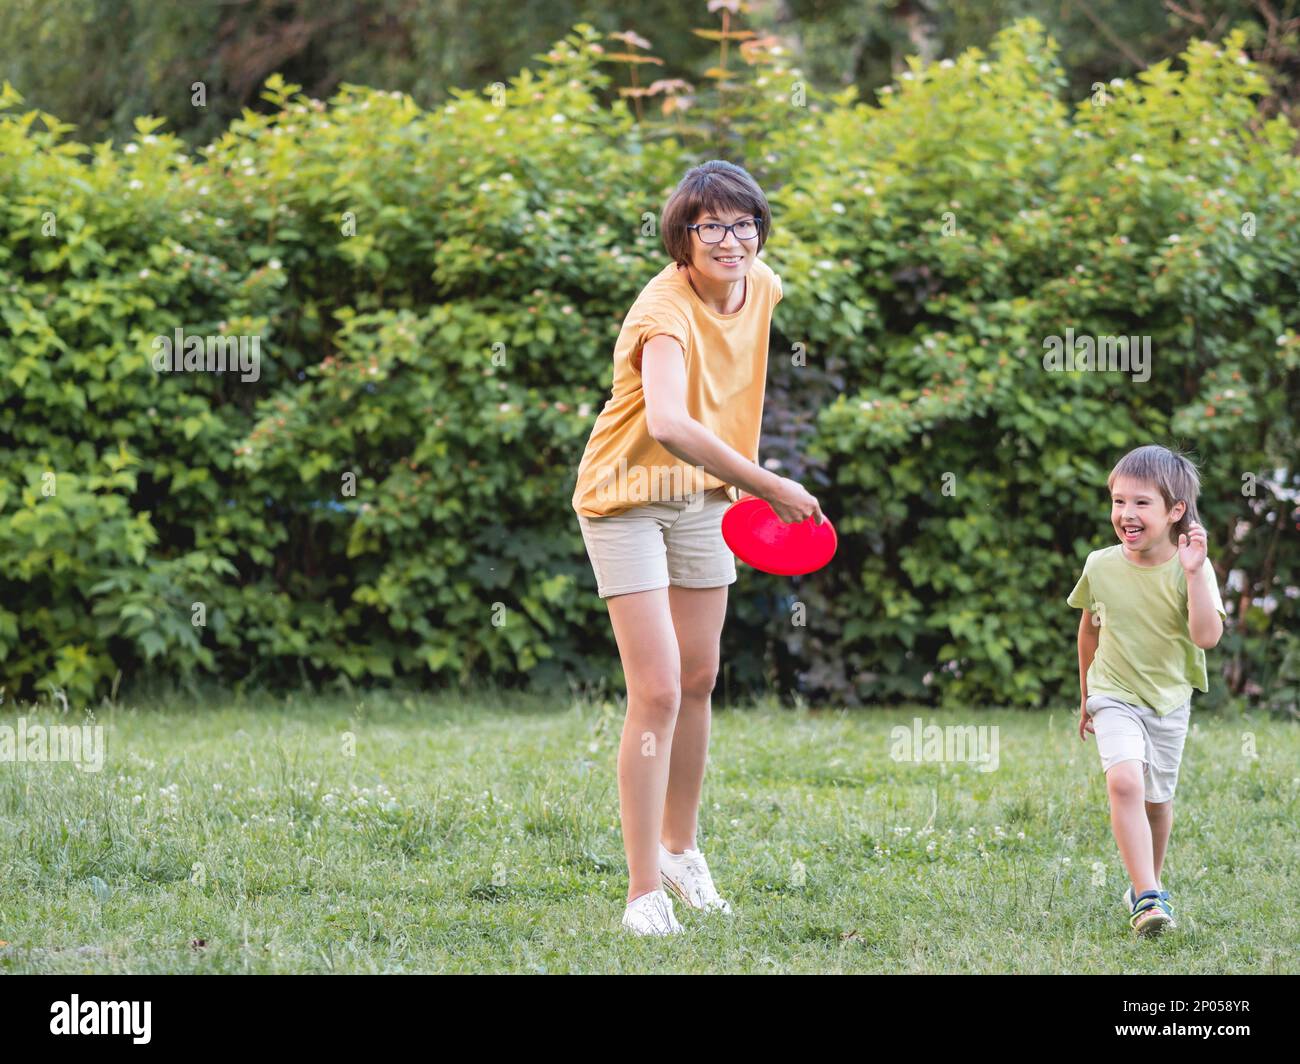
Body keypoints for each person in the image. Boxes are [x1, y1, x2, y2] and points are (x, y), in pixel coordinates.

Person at [570, 159, 824, 935]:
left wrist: (736, 483)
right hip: (626, 498)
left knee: (701, 677)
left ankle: (682, 852)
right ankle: (643, 890)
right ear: (681, 238)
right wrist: (771, 484)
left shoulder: (763, 284)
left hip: (703, 500)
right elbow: (671, 424)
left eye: (742, 224)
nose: (730, 240)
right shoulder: (663, 311)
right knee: (656, 688)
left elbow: (732, 380)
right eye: (710, 226)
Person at [1068, 444, 1225, 937]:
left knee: (1157, 802)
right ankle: (1149, 898)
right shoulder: (1100, 564)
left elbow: (1206, 637)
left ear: (1175, 511)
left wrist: (1197, 574)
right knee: (1125, 783)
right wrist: (1086, 695)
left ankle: (1146, 886)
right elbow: (1088, 630)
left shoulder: (1191, 566)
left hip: (1168, 700)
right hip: (1113, 692)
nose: (1125, 514)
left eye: (1141, 503)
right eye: (1118, 501)